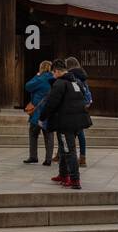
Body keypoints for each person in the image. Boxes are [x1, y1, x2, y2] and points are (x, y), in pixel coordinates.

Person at [39, 59, 92, 189]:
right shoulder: (76, 82)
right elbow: (84, 99)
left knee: (69, 150)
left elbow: (51, 103)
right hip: (77, 122)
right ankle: (63, 174)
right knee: (63, 148)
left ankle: (74, 179)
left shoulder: (60, 83)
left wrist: (42, 118)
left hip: (66, 123)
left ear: (57, 71)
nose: (52, 75)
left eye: (53, 73)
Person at [23, 60, 54, 164]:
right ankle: (48, 159)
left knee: (33, 134)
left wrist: (37, 75)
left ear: (41, 68)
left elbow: (28, 86)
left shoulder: (40, 78)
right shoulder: (54, 79)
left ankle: (33, 156)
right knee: (49, 136)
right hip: (49, 111)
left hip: (38, 111)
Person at [63, 57, 91, 167]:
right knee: (80, 133)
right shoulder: (83, 75)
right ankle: (83, 157)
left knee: (68, 132)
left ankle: (64, 155)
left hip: (73, 105)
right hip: (83, 106)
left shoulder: (71, 75)